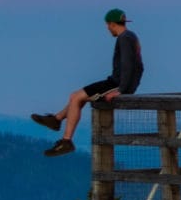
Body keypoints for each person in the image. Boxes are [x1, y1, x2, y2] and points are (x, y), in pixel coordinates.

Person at [33, 8, 144, 156]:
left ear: (111, 24)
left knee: (77, 97)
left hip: (115, 84)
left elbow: (128, 65)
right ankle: (56, 119)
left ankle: (66, 141)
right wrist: (130, 87)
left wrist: (122, 90)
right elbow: (139, 66)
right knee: (75, 97)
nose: (107, 28)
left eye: (107, 25)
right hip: (115, 81)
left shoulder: (124, 38)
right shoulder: (131, 36)